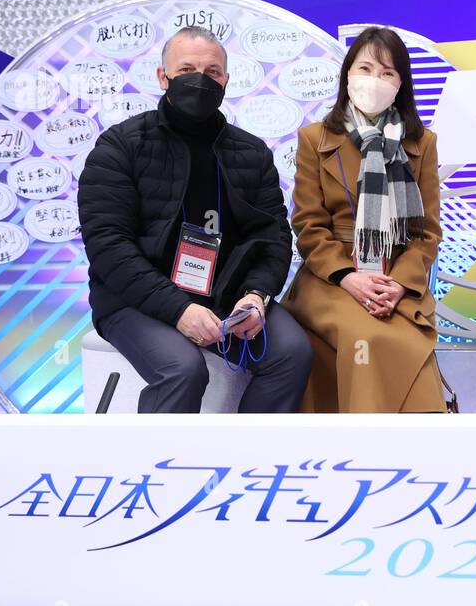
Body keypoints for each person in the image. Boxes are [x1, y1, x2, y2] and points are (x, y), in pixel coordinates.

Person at [78, 26, 312, 413]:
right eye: (186, 69)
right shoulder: (120, 146)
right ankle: (158, 469)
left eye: (213, 72)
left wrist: (256, 295)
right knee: (183, 370)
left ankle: (249, 462)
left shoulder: (251, 152)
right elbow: (108, 246)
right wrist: (178, 310)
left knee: (292, 354)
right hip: (134, 301)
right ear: (162, 76)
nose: (200, 81)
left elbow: (273, 238)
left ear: (226, 81)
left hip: (227, 298)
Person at [280, 26, 445, 413]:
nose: (375, 81)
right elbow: (308, 225)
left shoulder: (421, 142)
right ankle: (364, 450)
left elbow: (426, 232)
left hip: (395, 277)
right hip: (332, 278)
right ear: (348, 75)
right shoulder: (314, 138)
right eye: (366, 69)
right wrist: (349, 277)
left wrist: (399, 285)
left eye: (387, 73)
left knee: (406, 341)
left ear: (401, 84)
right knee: (367, 340)